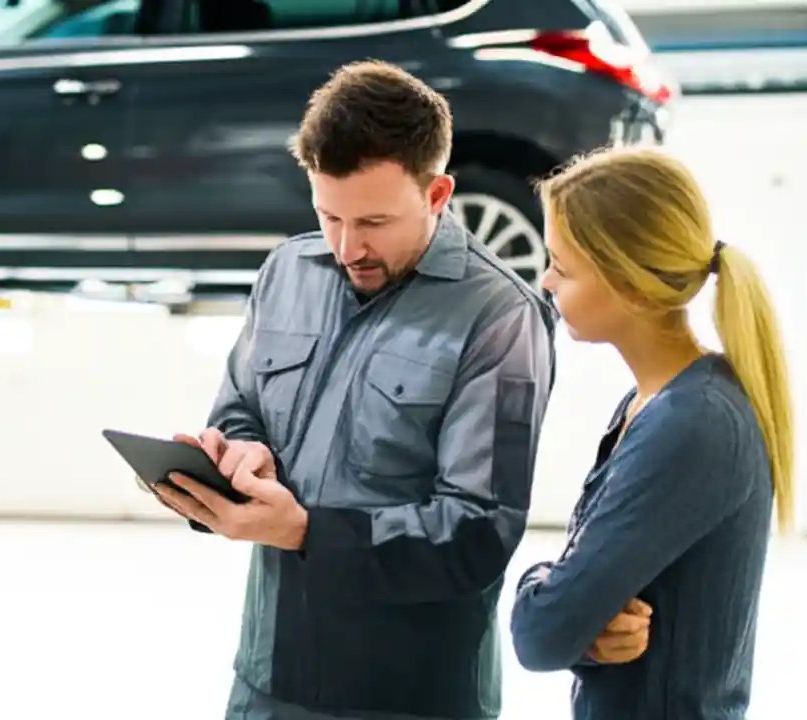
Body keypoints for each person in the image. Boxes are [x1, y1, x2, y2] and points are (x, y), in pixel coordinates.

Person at [151, 60, 557, 719]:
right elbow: (240, 404)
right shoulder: (287, 271)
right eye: (328, 215)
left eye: (373, 222)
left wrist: (308, 531)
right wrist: (243, 452)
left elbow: (479, 531)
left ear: (437, 194)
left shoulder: (500, 318)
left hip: (407, 696)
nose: (346, 247)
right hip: (266, 680)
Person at [508, 146, 795, 719]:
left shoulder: (693, 422)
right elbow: (569, 614)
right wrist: (585, 634)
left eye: (562, 267)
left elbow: (539, 632)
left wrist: (550, 599)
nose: (546, 281)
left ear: (631, 286)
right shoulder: (652, 404)